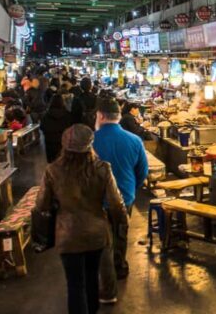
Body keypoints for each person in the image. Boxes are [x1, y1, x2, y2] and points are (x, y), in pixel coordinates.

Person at [35, 124, 128, 314]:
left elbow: (41, 206)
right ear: (90, 144)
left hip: (67, 236)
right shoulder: (103, 168)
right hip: (96, 234)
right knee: (92, 278)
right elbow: (116, 203)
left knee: (75, 285)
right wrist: (122, 223)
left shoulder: (52, 171)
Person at [92, 98, 149, 303]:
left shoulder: (91, 140)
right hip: (126, 196)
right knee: (121, 233)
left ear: (100, 116)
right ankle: (120, 267)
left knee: (104, 237)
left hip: (98, 199)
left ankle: (106, 279)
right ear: (118, 116)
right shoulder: (134, 140)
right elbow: (143, 170)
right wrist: (132, 188)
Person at [40, 95, 72, 163]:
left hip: (50, 142)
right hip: (64, 142)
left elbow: (42, 127)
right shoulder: (67, 114)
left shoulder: (46, 115)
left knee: (52, 162)